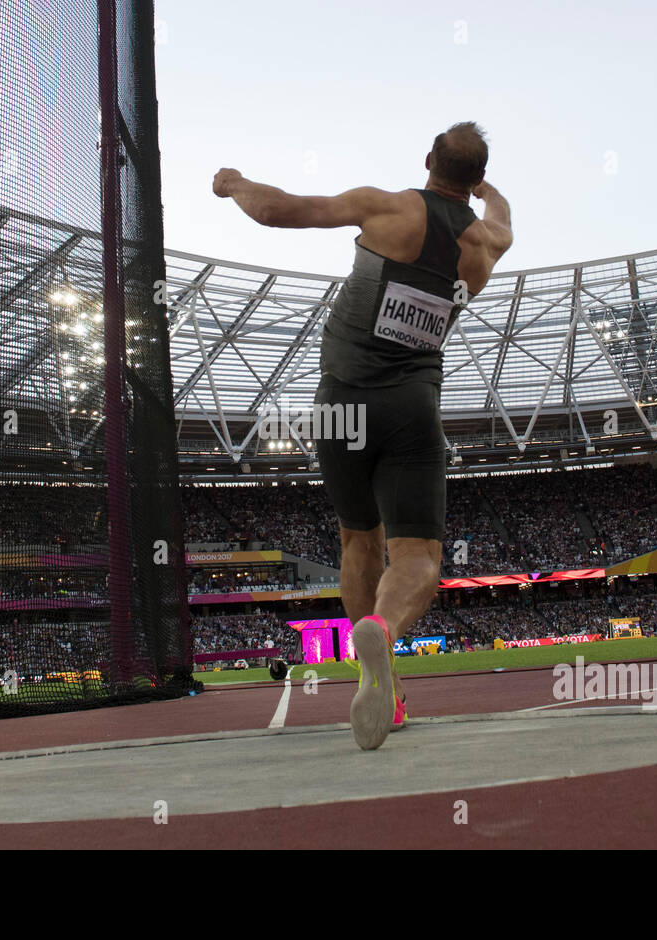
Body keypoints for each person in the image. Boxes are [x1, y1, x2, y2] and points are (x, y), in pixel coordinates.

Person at [214, 122, 513, 749]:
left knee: (358, 540)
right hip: (410, 406)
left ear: (428, 159)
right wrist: (488, 191)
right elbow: (503, 216)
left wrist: (234, 183)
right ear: (474, 176)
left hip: (338, 407)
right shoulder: (487, 246)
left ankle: (375, 674)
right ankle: (381, 627)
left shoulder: (390, 207)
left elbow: (277, 211)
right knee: (419, 557)